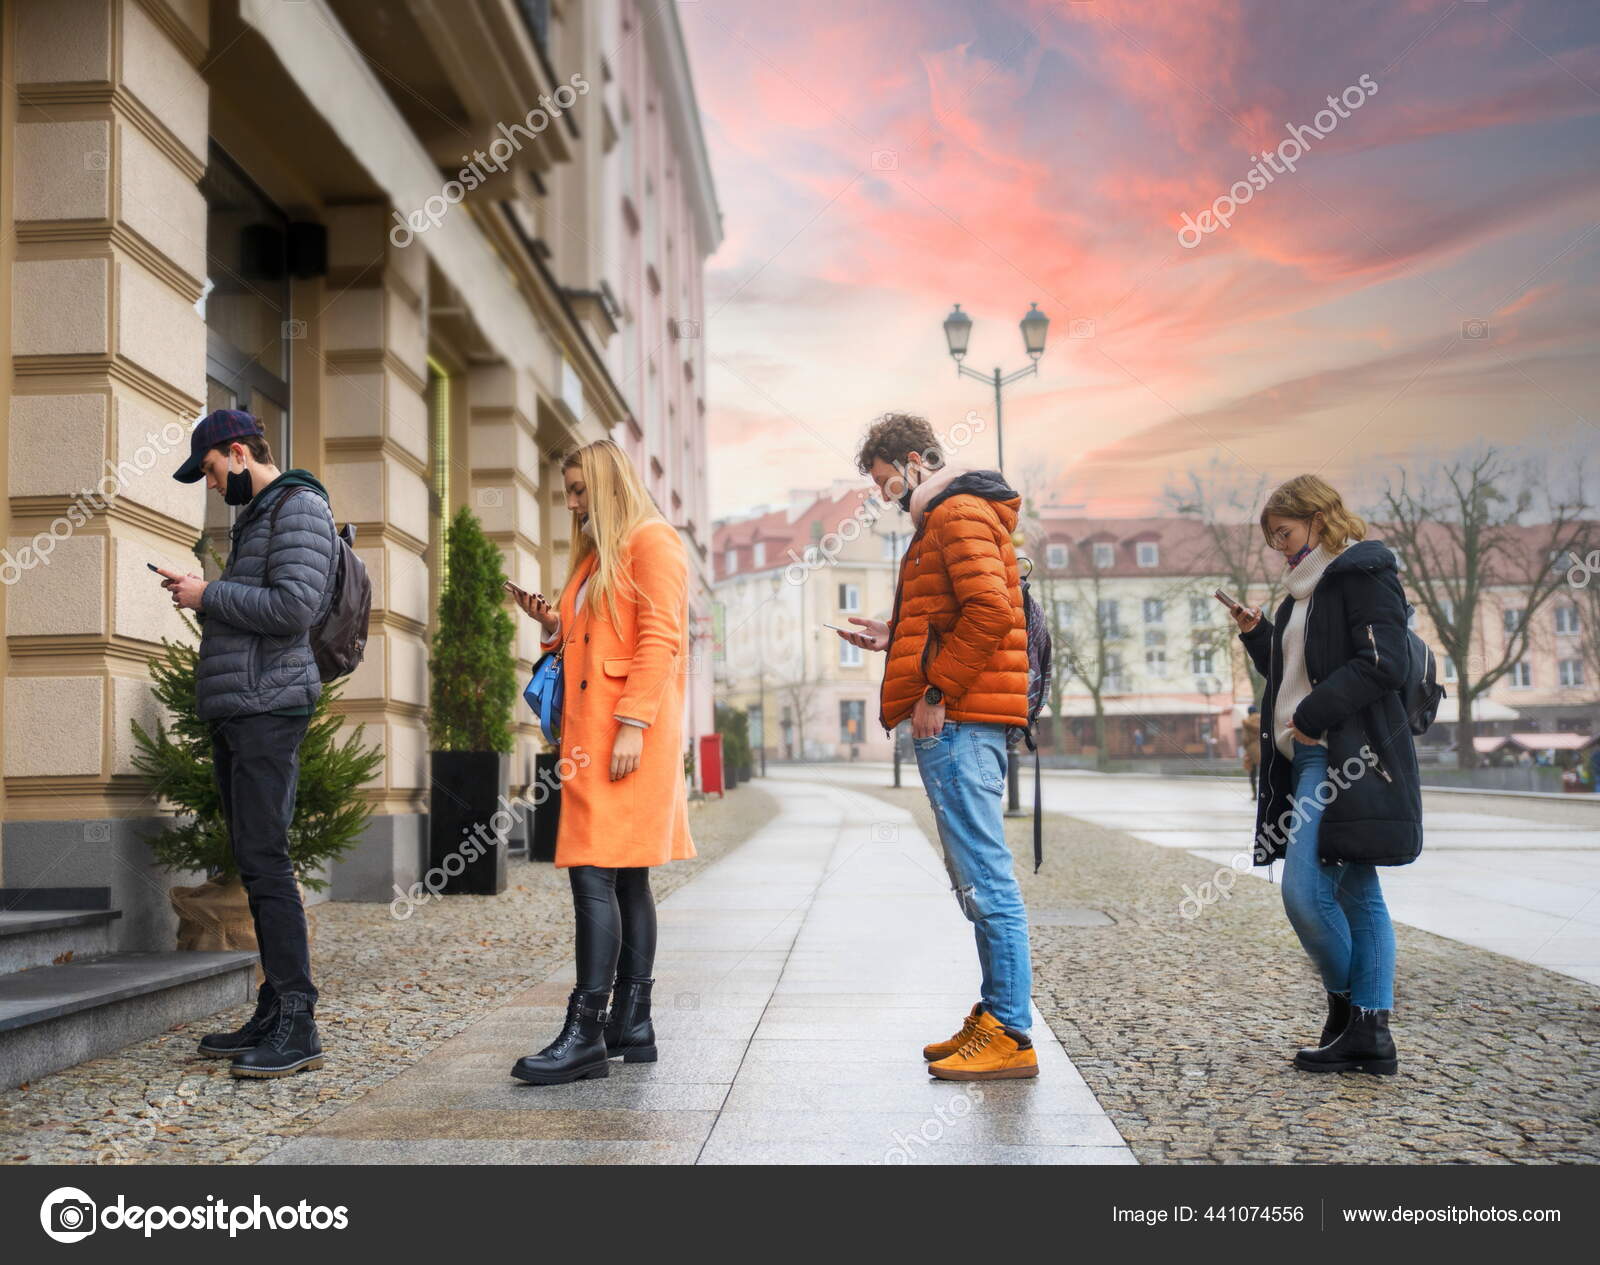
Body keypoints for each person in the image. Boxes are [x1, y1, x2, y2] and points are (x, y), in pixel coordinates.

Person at [836, 413, 1037, 1081]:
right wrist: (892, 633)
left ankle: (1011, 1030)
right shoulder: (942, 518)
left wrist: (936, 692)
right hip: (960, 718)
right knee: (973, 878)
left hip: (963, 720)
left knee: (986, 876)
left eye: (886, 478)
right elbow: (955, 610)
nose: (885, 493)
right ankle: (995, 1013)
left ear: (916, 459)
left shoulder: (956, 514)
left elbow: (991, 611)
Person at [507, 440, 695, 1085]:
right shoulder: (599, 553)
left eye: (582, 489)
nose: (574, 502)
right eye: (568, 491)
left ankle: (585, 1031)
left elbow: (661, 637)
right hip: (598, 732)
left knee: (592, 872)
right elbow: (601, 633)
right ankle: (630, 1022)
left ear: (612, 485)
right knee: (626, 877)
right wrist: (555, 624)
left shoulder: (652, 541)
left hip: (624, 733)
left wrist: (634, 724)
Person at [163, 410, 338, 1079]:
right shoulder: (259, 517)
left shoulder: (298, 507)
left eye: (211, 470)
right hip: (243, 706)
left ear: (238, 453)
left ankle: (299, 1020)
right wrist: (210, 594)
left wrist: (208, 594)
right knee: (254, 856)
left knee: (266, 859)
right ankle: (274, 1005)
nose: (211, 485)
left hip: (270, 706)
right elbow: (260, 601)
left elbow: (294, 607)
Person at [1231, 474, 1421, 1076]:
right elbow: (1298, 673)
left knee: (1305, 893)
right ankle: (1367, 1032)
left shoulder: (1362, 573)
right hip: (1306, 754)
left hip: (1343, 754)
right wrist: (1258, 635)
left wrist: (1312, 716)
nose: (1281, 548)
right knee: (1358, 894)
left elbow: (1383, 662)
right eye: (1272, 540)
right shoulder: (1301, 594)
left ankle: (1355, 1017)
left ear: (1317, 517)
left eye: (1284, 533)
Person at [1241, 705, 1261, 799]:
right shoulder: (1250, 719)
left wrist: (1246, 724)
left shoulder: (1255, 718)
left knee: (1255, 772)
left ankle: (1257, 793)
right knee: (1254, 772)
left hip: (1255, 747)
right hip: (1252, 748)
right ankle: (1256, 793)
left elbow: (1257, 728)